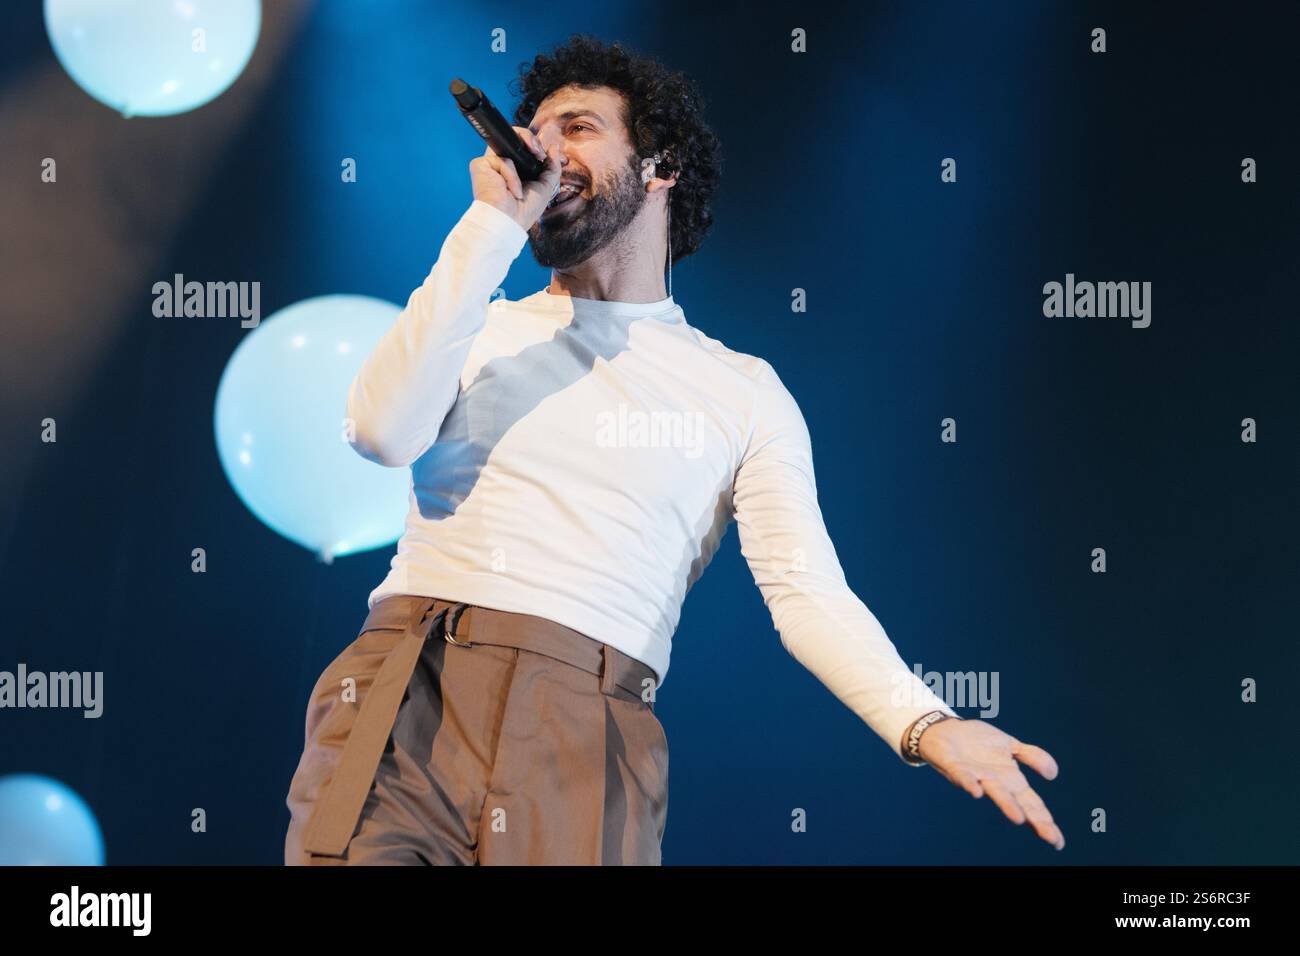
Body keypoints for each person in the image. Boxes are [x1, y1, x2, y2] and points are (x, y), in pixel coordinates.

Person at [284, 34, 1064, 866]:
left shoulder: (741, 390)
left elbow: (806, 596)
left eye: (576, 128)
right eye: (533, 132)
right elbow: (378, 431)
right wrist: (489, 227)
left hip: (591, 721)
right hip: (412, 686)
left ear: (660, 168)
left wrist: (925, 721)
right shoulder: (478, 324)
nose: (543, 148)